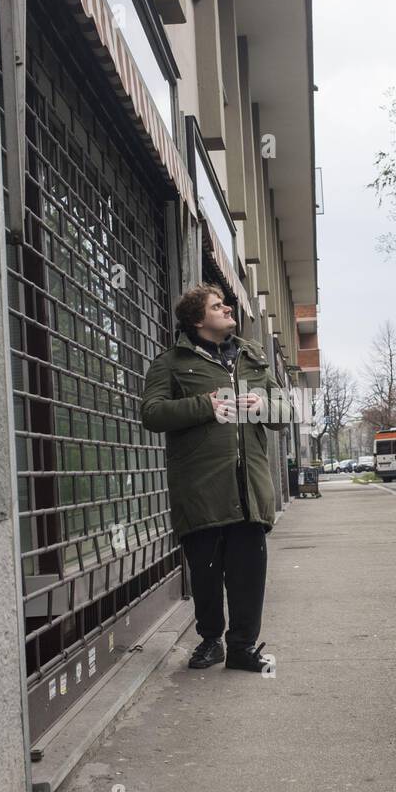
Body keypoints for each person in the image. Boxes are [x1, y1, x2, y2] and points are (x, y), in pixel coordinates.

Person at [141, 284, 293, 671]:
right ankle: (211, 640)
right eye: (217, 306)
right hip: (201, 487)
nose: (227, 309)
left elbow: (285, 410)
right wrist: (204, 405)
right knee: (207, 576)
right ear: (197, 319)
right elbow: (152, 414)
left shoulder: (252, 356)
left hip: (249, 486)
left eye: (226, 304)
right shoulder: (170, 363)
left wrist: (263, 404)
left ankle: (242, 647)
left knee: (248, 574)